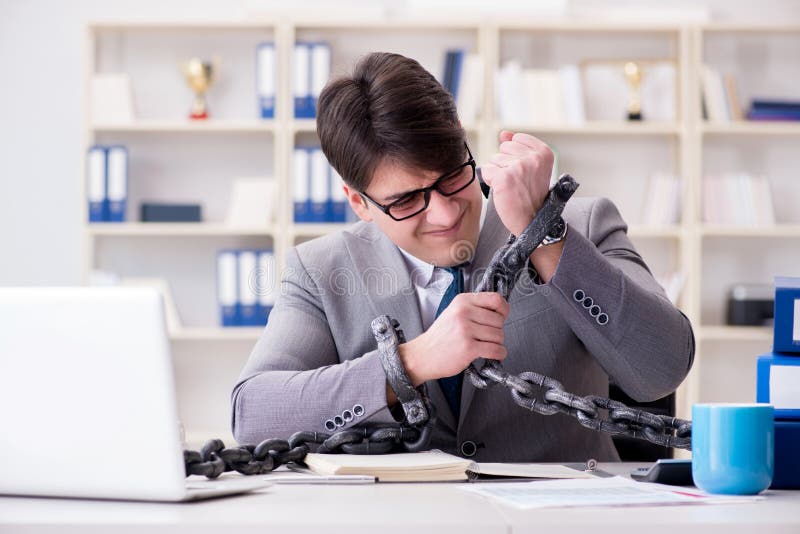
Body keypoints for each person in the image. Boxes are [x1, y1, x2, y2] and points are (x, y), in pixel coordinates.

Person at [231, 52, 694, 462]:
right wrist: (408, 363)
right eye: (408, 200)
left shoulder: (583, 224)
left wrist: (545, 234)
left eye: (453, 175)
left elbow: (662, 369)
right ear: (359, 204)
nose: (446, 211)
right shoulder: (320, 269)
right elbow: (254, 414)